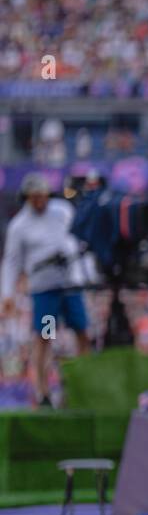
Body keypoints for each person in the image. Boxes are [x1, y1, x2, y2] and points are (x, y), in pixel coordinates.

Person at [0, 173, 93, 407]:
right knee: (46, 336)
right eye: (35, 197)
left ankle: (85, 385)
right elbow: (12, 261)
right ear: (27, 198)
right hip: (46, 291)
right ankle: (42, 391)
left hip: (70, 286)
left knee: (81, 330)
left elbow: (78, 237)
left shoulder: (61, 211)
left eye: (42, 196)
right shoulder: (20, 226)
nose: (40, 201)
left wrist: (86, 272)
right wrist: (7, 293)